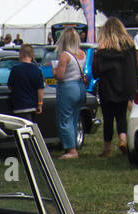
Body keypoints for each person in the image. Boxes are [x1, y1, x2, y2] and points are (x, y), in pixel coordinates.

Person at [92, 18, 137, 157]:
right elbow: (134, 67)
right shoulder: (129, 47)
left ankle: (107, 149)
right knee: (122, 116)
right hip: (125, 86)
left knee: (108, 118)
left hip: (108, 87)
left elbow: (96, 71)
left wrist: (97, 55)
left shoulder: (103, 50)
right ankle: (123, 140)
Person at [52, 26, 86, 158]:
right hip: (79, 87)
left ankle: (71, 150)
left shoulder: (65, 55)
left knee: (64, 118)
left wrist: (54, 70)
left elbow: (60, 76)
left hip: (67, 88)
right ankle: (72, 146)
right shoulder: (82, 53)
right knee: (74, 118)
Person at [7, 44, 45, 120]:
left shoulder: (15, 69)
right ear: (32, 55)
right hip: (32, 106)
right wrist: (40, 104)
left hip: (18, 106)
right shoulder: (37, 70)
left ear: (20, 54)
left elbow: (10, 86)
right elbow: (40, 90)